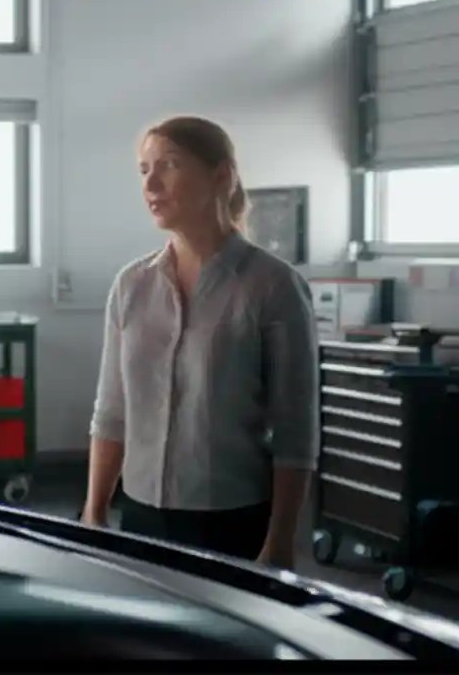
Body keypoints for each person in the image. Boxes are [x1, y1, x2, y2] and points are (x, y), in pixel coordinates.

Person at [78, 115, 318, 570]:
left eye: (169, 165)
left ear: (220, 175)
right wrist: (94, 510)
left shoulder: (272, 286)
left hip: (231, 520)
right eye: (143, 168)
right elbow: (111, 411)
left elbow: (296, 431)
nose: (151, 182)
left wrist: (281, 541)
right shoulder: (132, 285)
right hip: (142, 512)